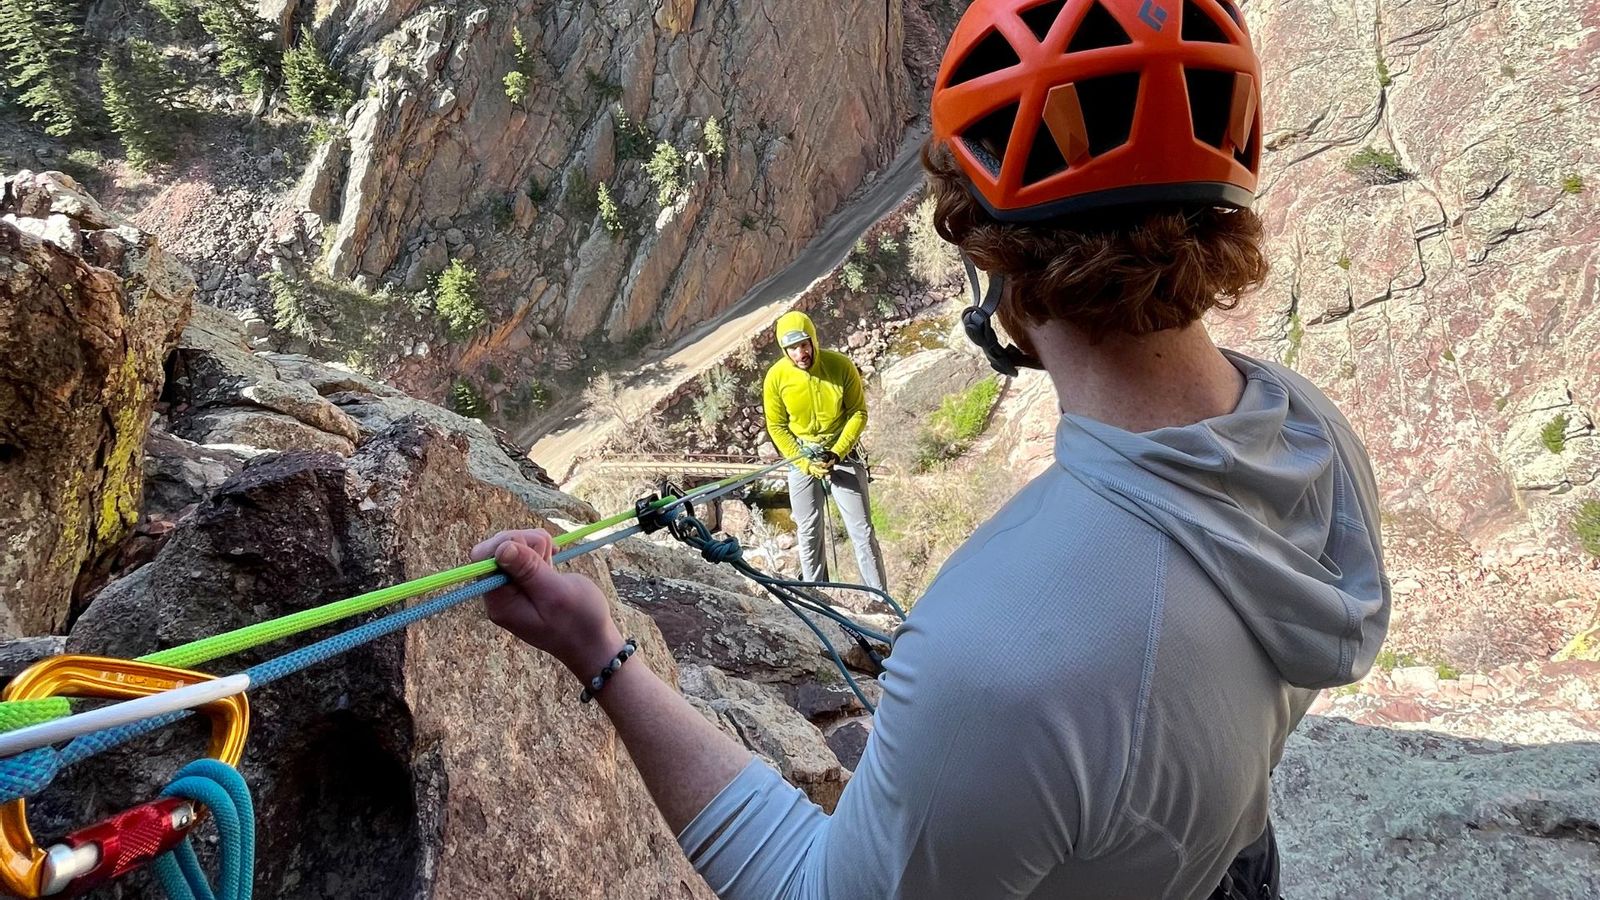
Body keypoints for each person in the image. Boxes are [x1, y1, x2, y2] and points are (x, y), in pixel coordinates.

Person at [473, 1, 1390, 898]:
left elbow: (812, 886)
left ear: (989, 250)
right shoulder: (1308, 430)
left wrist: (598, 651)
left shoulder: (1005, 654)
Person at [761, 309, 888, 591]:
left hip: (841, 452)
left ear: (814, 341)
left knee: (862, 532)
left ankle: (880, 599)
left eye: (804, 345)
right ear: (784, 350)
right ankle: (819, 597)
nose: (800, 353)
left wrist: (838, 451)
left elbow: (858, 412)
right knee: (808, 532)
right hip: (802, 455)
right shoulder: (776, 378)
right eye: (793, 348)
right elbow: (777, 426)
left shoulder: (840, 366)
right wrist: (806, 464)